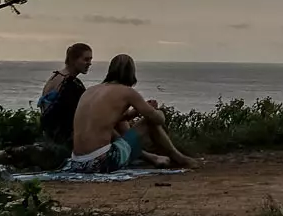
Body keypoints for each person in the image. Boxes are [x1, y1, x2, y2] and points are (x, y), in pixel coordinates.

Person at [66, 54, 197, 172]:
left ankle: (155, 157)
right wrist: (157, 111)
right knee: (148, 121)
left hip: (77, 162)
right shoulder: (127, 92)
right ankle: (179, 158)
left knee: (119, 126)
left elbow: (104, 121)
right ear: (131, 72)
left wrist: (132, 113)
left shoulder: (90, 91)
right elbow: (157, 120)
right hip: (101, 162)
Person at [37, 42, 92, 146]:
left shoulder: (56, 76)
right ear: (73, 60)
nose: (89, 63)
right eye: (86, 59)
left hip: (50, 135)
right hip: (62, 138)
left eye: (90, 59)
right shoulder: (69, 83)